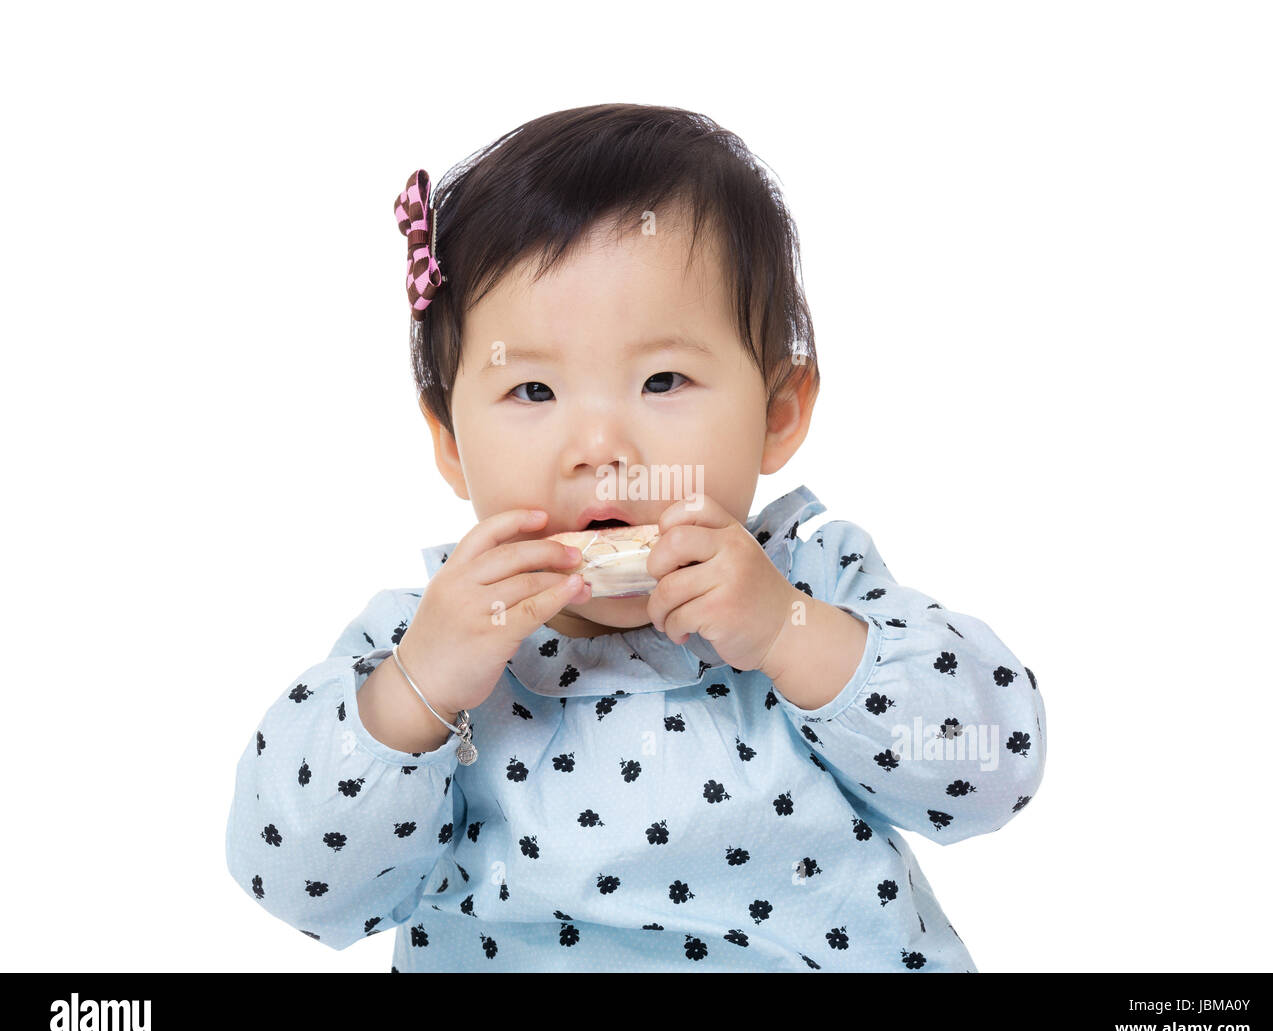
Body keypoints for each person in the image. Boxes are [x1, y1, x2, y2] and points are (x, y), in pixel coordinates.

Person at [224, 103, 1046, 971]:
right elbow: (293, 883)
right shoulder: (421, 646)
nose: (601, 450)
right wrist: (414, 694)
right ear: (450, 445)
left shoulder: (817, 590)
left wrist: (787, 635)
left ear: (778, 411)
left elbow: (995, 770)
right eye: (533, 391)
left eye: (663, 379)